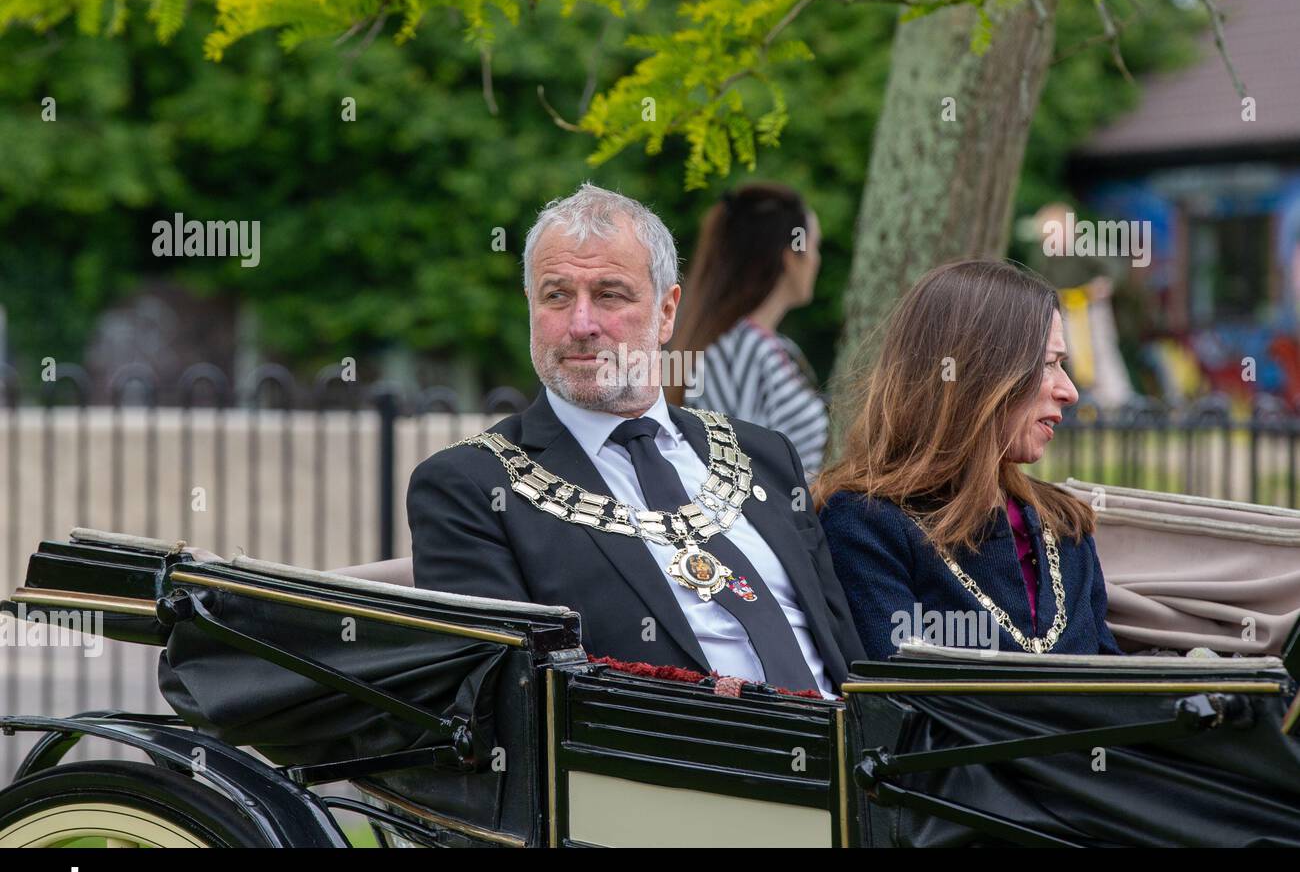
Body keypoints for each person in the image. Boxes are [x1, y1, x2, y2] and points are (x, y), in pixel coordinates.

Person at [407, 183, 864, 695]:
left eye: (609, 295)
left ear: (667, 313)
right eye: (556, 295)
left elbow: (846, 645)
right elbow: (505, 705)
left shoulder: (763, 454)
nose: (581, 325)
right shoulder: (472, 485)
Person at [815, 259, 1123, 661]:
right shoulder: (867, 524)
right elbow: (904, 703)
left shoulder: (1064, 525)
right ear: (981, 375)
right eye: (1048, 364)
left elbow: (1115, 688)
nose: (1069, 391)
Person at [667, 183, 829, 473]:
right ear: (792, 258)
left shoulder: (763, 346)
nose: (817, 260)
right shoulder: (740, 350)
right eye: (815, 246)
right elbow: (734, 471)